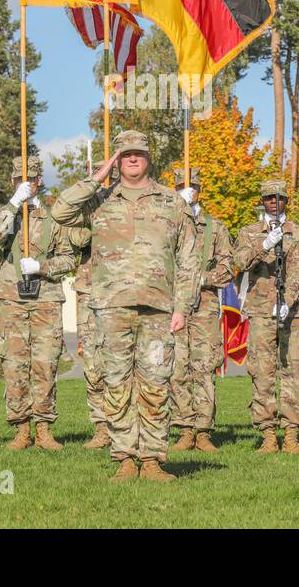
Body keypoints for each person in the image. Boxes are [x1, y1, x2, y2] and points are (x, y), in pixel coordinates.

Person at [51, 131, 197, 482]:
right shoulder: (99, 200)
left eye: (139, 154)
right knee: (116, 383)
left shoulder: (171, 203)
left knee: (155, 383)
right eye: (125, 154)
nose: (133, 159)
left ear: (149, 159)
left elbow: (188, 259)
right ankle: (125, 458)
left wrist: (182, 307)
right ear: (117, 160)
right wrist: (98, 175)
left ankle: (151, 459)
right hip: (111, 307)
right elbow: (59, 210)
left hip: (159, 308)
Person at [0, 157, 88, 450]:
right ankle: (21, 430)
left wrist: (41, 267)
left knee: (45, 364)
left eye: (30, 179)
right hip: (12, 299)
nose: (26, 184)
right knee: (15, 364)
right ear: (13, 183)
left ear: (40, 181)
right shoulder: (4, 214)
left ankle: (44, 428)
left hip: (45, 299)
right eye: (20, 180)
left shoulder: (56, 217)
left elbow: (69, 258)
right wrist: (14, 204)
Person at [232, 179, 299, 453]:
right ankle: (267, 434)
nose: (273, 202)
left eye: (278, 198)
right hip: (260, 312)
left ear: (286, 202)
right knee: (262, 372)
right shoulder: (249, 233)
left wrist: (287, 301)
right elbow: (239, 262)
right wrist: (265, 244)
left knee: (293, 370)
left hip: (291, 313)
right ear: (262, 201)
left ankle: (291, 435)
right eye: (268, 198)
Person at [169, 167, 233, 453]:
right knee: (177, 368)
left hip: (204, 307)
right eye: (182, 186)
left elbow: (228, 268)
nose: (188, 190)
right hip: (174, 307)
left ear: (200, 191)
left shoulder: (215, 228)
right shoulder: (167, 225)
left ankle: (204, 430)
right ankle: (184, 427)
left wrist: (201, 279)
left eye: (192, 186)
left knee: (204, 368)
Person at [71, 252, 110, 449]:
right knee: (93, 366)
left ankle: (128, 428)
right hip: (88, 288)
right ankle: (102, 428)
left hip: (121, 287)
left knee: (126, 363)